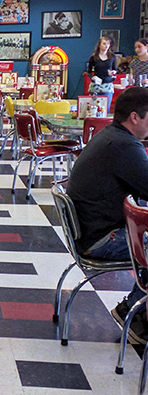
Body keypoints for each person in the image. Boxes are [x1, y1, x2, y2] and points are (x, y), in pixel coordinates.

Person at [66, 87, 148, 344]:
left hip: (90, 230)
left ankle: (133, 309)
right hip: (100, 239)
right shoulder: (124, 145)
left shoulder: (112, 137)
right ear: (135, 117)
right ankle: (134, 314)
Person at [87, 36, 117, 112]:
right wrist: (92, 77)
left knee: (106, 108)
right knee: (94, 107)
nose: (106, 45)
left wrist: (113, 72)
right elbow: (89, 72)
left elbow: (115, 69)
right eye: (104, 43)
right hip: (96, 85)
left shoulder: (112, 56)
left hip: (107, 85)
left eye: (108, 44)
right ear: (99, 45)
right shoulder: (93, 57)